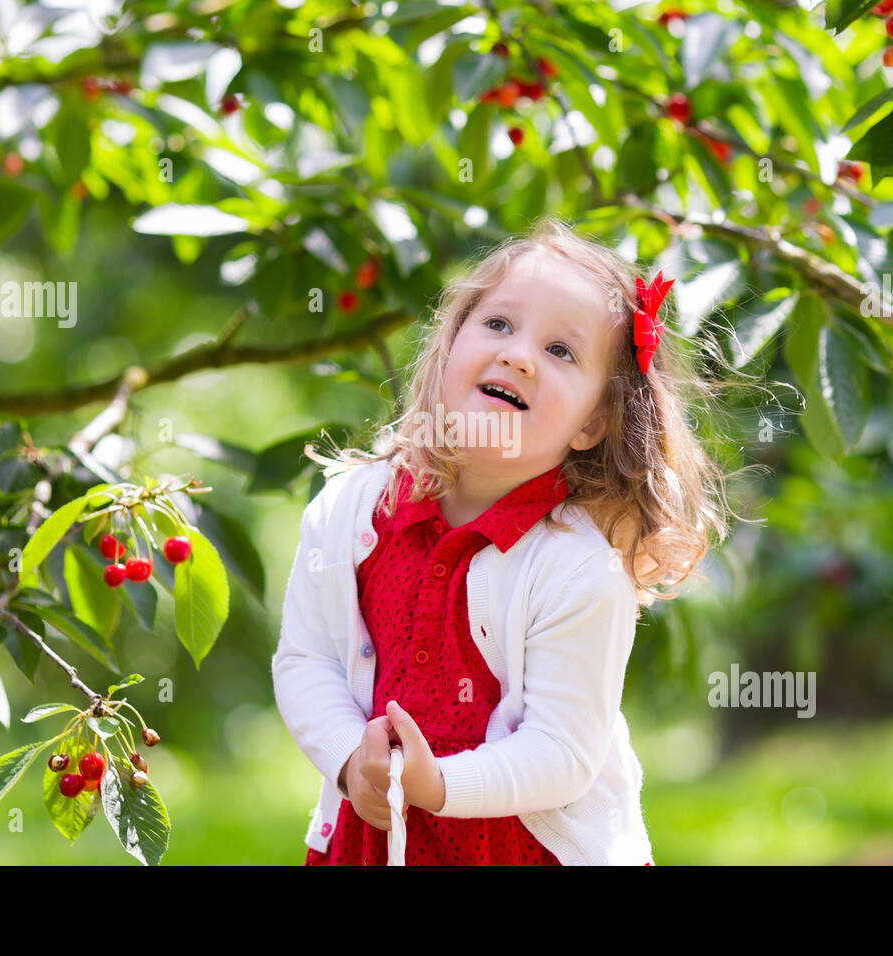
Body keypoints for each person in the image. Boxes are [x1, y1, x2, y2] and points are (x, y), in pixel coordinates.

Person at [273, 215, 735, 865]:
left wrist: (439, 785)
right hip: (376, 840)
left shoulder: (576, 567)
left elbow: (562, 751)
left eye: (561, 351)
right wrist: (351, 759)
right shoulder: (354, 511)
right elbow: (306, 661)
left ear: (593, 423)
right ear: (450, 343)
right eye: (497, 324)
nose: (519, 354)